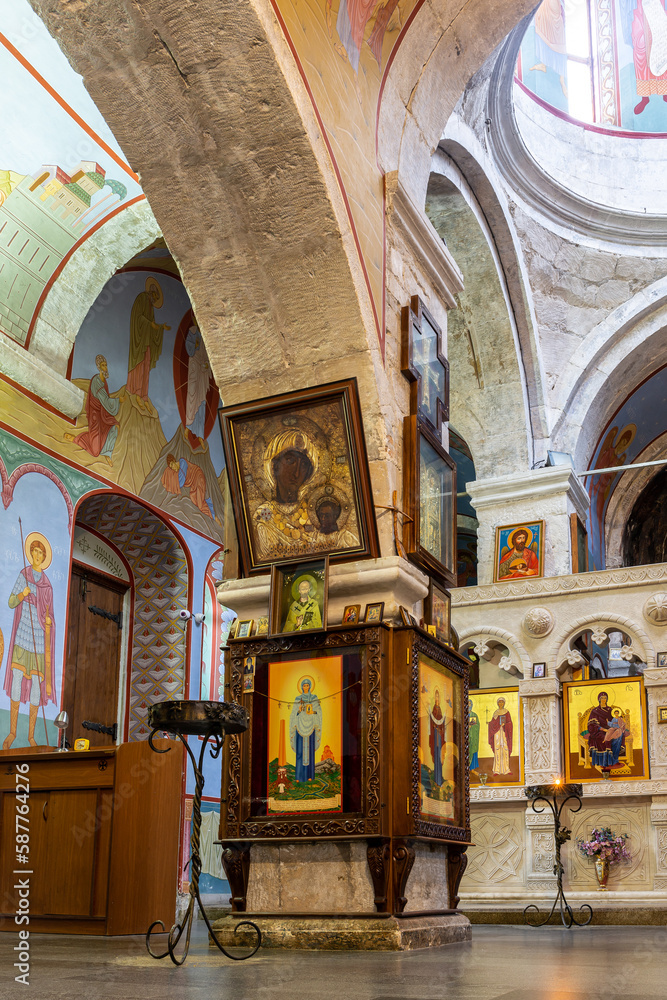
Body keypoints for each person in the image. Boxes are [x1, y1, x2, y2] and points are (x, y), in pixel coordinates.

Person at [3, 537, 56, 749]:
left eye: (40, 553)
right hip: (22, 634)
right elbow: (10, 602)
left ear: (44, 558)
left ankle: (32, 737)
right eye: (34, 551)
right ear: (30, 554)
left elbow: (50, 613)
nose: (37, 556)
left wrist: (49, 619)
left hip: (39, 641)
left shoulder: (47, 586)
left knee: (36, 684)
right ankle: (12, 732)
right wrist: (22, 593)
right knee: (17, 678)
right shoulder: (23, 576)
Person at [254, 428, 318, 559]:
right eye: (290, 461)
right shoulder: (263, 516)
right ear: (275, 465)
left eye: (304, 465)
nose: (297, 473)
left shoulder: (315, 515)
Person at [65, 354, 122, 465]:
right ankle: (76, 439)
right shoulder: (96, 381)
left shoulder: (104, 382)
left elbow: (105, 401)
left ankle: (107, 452)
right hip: (96, 415)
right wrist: (119, 401)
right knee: (95, 452)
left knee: (115, 427)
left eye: (106, 365)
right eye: (103, 365)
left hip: (104, 414)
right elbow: (104, 400)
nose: (105, 367)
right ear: (99, 367)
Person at [126, 277, 171, 409]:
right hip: (140, 341)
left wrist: (161, 327)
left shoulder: (150, 307)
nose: (155, 301)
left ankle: (143, 396)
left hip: (147, 343)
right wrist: (149, 324)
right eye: (155, 297)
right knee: (139, 366)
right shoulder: (142, 298)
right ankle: (136, 392)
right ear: (152, 292)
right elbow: (137, 316)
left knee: (146, 367)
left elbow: (152, 326)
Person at [529, 0, 568, 98]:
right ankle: (543, 64)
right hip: (545, 11)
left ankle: (562, 80)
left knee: (558, 46)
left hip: (553, 13)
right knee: (541, 32)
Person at [161, 453, 216, 520]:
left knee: (200, 503)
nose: (173, 469)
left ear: (173, 461)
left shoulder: (182, 462)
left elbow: (181, 482)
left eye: (172, 466)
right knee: (193, 498)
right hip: (194, 483)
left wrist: (172, 486)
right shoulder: (178, 471)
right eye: (171, 468)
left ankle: (214, 517)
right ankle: (211, 508)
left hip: (198, 477)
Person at [184, 322, 213, 444]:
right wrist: (195, 346)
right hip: (194, 369)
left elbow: (208, 358)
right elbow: (189, 351)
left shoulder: (206, 337)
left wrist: (206, 365)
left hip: (202, 372)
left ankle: (200, 434)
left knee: (202, 401)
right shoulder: (193, 331)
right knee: (192, 396)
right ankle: (188, 427)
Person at [289, 678, 322, 782]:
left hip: (311, 727)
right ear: (302, 687)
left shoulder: (314, 698)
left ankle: (309, 776)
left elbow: (319, 712)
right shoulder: (298, 698)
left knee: (310, 752)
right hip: (299, 727)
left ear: (310, 687)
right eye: (304, 686)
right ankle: (299, 777)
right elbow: (293, 714)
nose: (306, 687)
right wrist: (298, 711)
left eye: (307, 685)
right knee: (300, 752)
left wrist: (313, 712)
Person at [488, 697, 513, 775]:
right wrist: (491, 724)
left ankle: (507, 769)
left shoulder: (507, 712)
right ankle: (497, 770)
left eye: (502, 702)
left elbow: (510, 723)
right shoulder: (496, 713)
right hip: (497, 733)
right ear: (497, 703)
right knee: (497, 749)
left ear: (504, 703)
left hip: (505, 733)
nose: (501, 704)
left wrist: (505, 724)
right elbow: (492, 723)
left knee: (505, 748)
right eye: (499, 702)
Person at [428, 689, 447, 787]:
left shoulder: (439, 709)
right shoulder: (433, 709)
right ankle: (436, 779)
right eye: (436, 696)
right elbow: (432, 722)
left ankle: (439, 780)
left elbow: (442, 723)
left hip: (439, 737)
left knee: (440, 757)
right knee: (436, 756)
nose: (437, 698)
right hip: (435, 737)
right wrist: (436, 727)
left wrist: (441, 728)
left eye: (438, 697)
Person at [469, 698, 480, 770]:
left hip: (473, 737)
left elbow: (477, 726)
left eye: (469, 703)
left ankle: (472, 768)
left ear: (471, 705)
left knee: (473, 750)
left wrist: (472, 727)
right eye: (466, 703)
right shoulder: (462, 715)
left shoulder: (474, 715)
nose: (468, 705)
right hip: (466, 738)